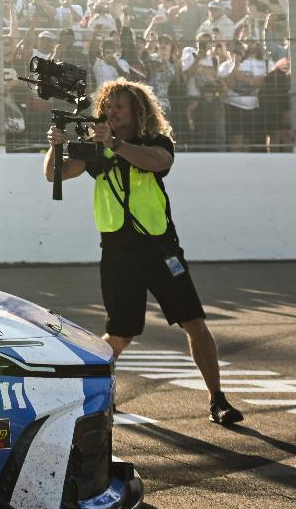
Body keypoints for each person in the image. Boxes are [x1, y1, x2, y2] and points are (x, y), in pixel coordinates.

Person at [45, 77, 244, 426]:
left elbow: (157, 161)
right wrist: (56, 146)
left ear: (138, 110)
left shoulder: (154, 141)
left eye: (118, 106)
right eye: (107, 106)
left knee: (194, 322)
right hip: (118, 251)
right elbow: (54, 175)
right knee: (119, 334)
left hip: (159, 245)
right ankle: (98, 400)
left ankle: (217, 399)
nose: (110, 111)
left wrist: (114, 143)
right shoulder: (97, 148)